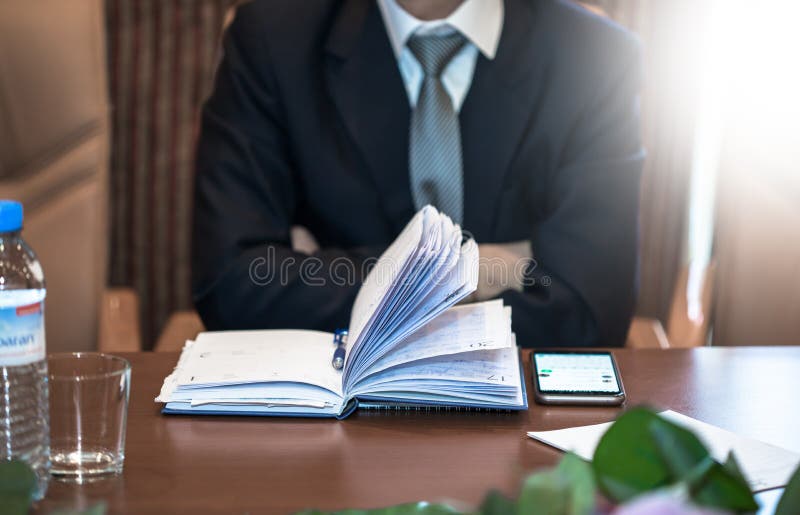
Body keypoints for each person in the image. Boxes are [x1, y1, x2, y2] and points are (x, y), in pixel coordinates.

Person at [192, 0, 644, 347]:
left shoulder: (596, 56)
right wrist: (475, 268)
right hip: (334, 408)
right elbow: (234, 282)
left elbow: (592, 309)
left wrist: (324, 268)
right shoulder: (273, 38)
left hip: (522, 423)